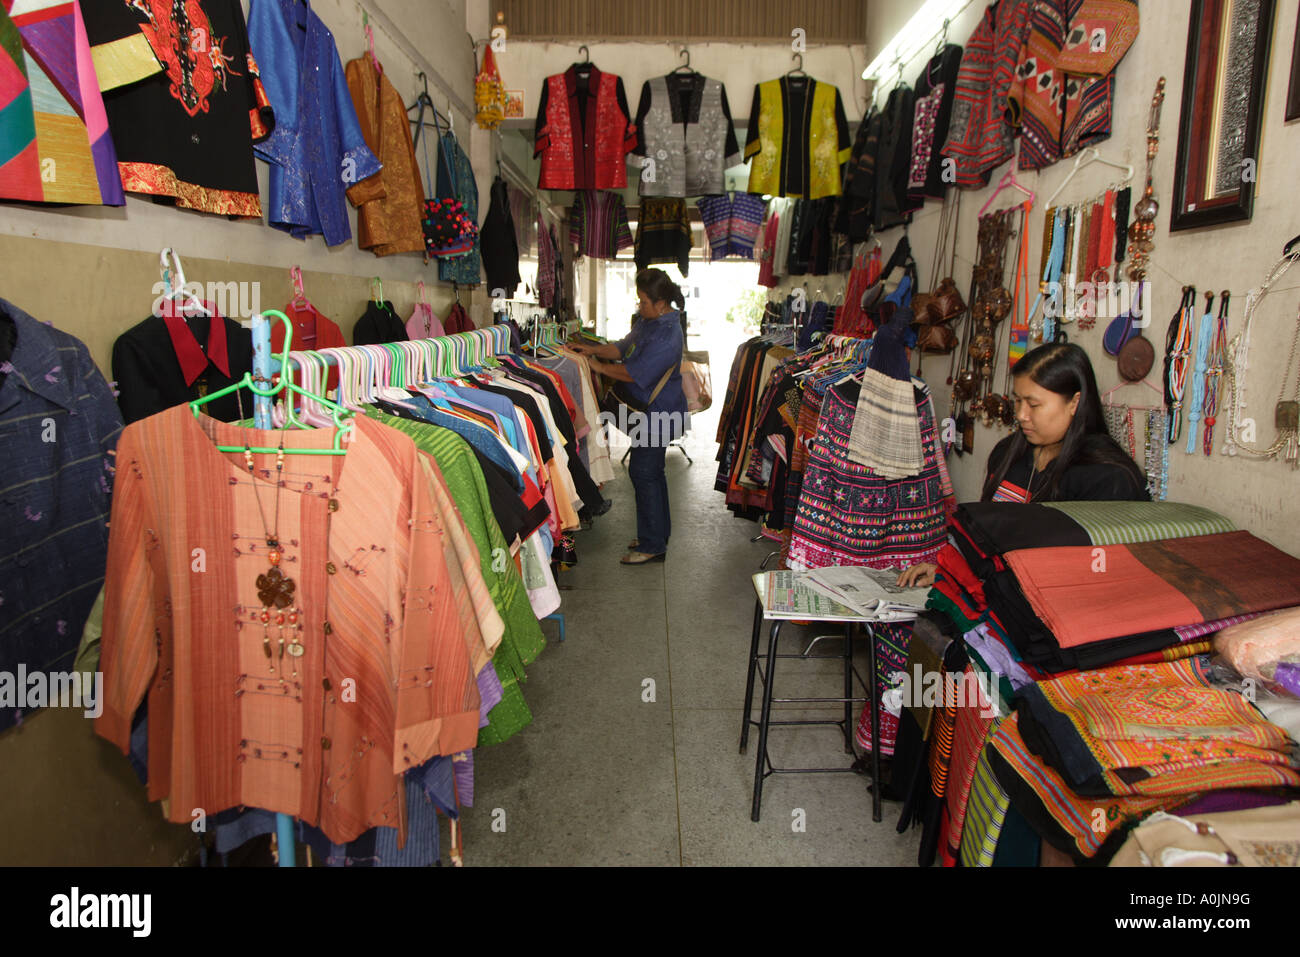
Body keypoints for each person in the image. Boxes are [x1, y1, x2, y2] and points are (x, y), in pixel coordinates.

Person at [897, 341, 1149, 588]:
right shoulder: (1009, 453)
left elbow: (1099, 576)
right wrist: (952, 570)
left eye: (1034, 404)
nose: (1021, 415)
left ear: (1074, 403)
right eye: (1018, 401)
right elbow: (988, 540)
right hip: (1000, 606)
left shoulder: (1109, 479)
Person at [569, 269, 688, 565]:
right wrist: (591, 349)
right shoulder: (650, 322)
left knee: (644, 473)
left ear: (661, 303)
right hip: (650, 412)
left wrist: (597, 367)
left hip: (658, 413)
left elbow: (633, 372)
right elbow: (621, 347)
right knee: (651, 474)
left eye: (644, 301)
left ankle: (651, 545)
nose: (640, 306)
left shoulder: (668, 334)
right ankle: (656, 535)